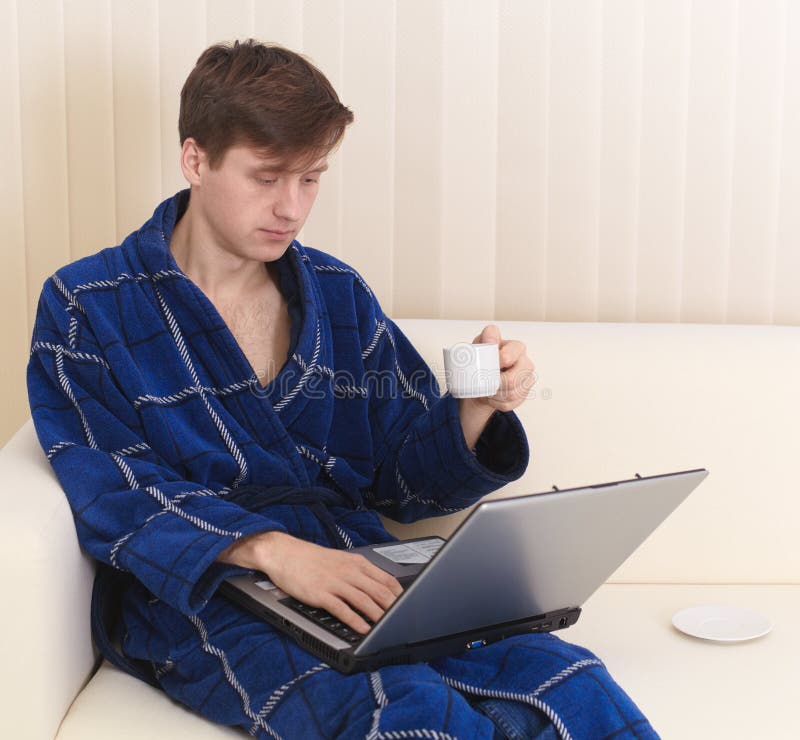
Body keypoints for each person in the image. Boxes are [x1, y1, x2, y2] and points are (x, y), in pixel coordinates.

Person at [27, 39, 657, 739]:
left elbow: (406, 483)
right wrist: (270, 550)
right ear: (195, 159)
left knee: (567, 683)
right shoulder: (88, 304)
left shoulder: (334, 293)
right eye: (267, 177)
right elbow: (111, 489)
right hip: (201, 590)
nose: (291, 208)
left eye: (311, 179)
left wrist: (476, 408)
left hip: (349, 558)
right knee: (403, 711)